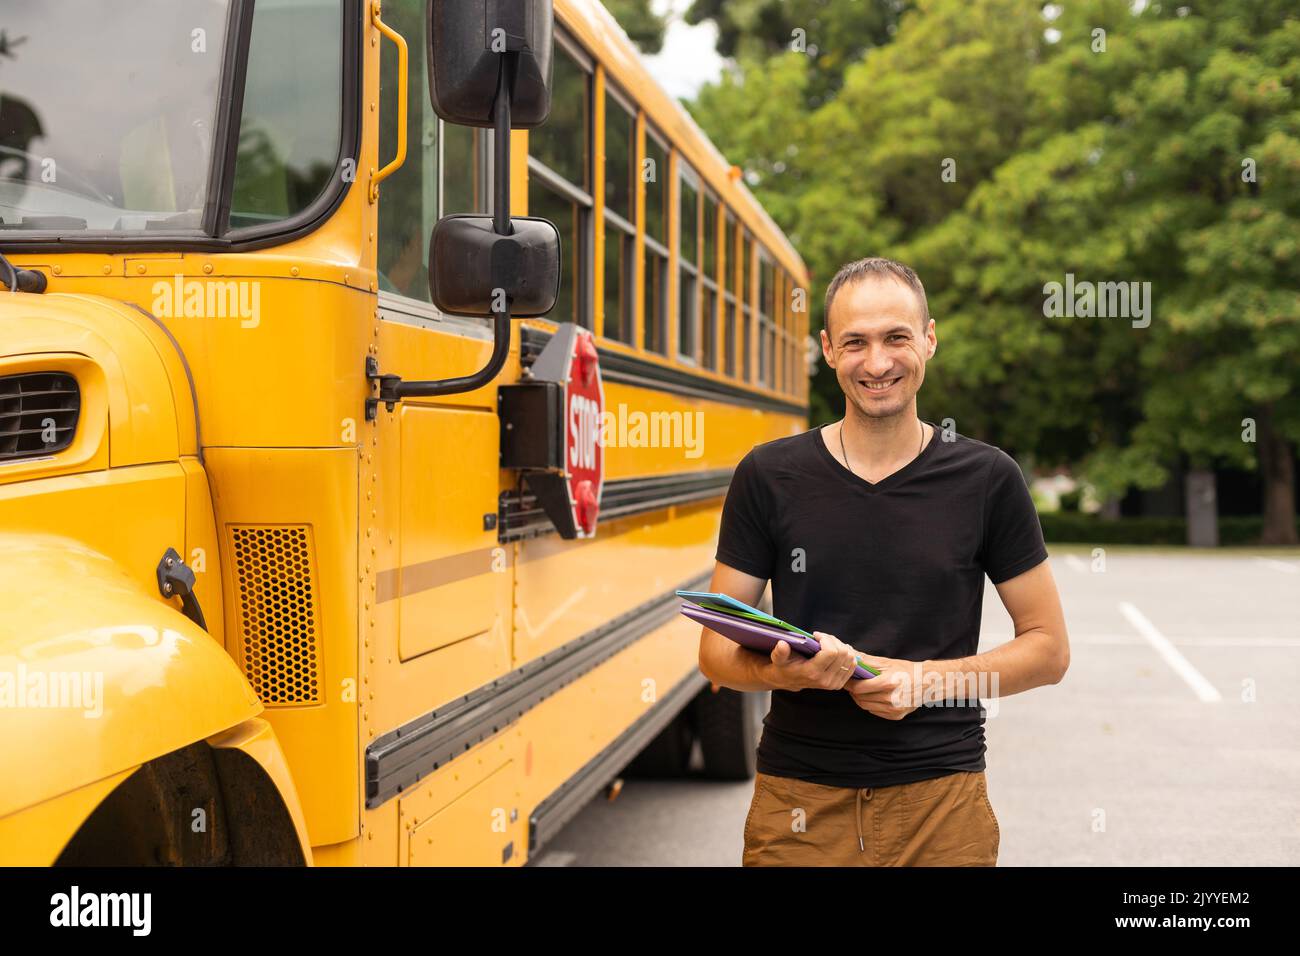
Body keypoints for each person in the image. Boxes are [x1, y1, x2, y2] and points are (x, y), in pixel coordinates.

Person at [698, 256, 1070, 866]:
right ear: (827, 349)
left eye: (896, 337)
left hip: (943, 803)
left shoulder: (988, 478)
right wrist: (784, 674)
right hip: (799, 803)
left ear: (928, 338)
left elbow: (1048, 650)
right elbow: (715, 655)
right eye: (855, 342)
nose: (877, 363)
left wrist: (925, 683)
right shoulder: (768, 474)